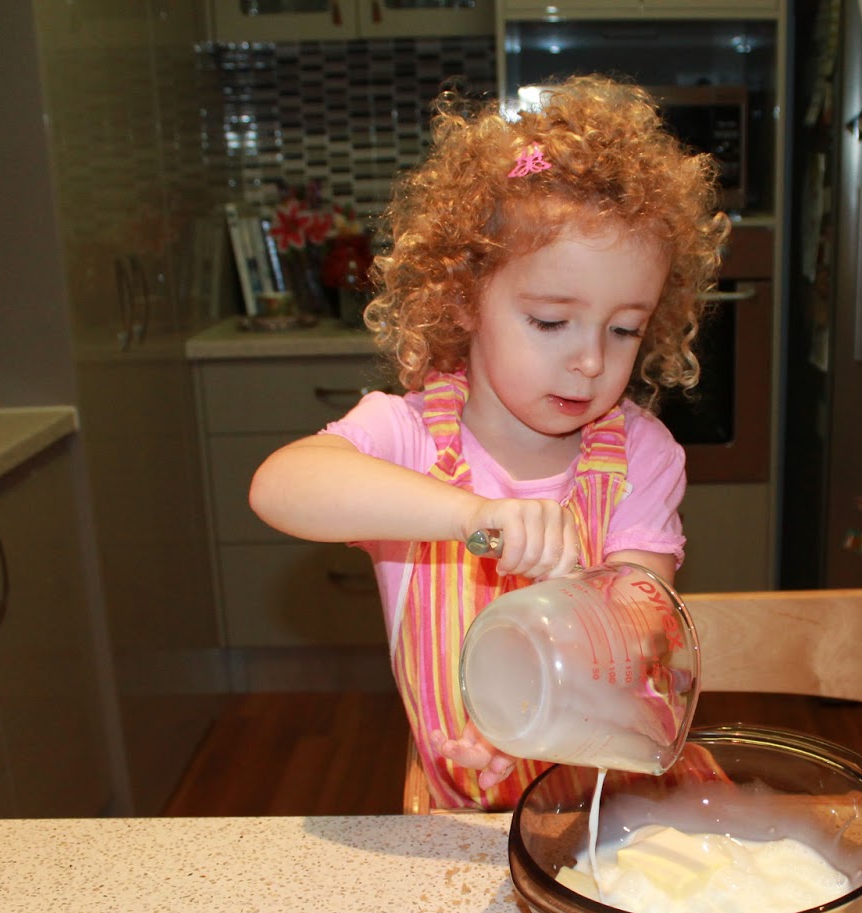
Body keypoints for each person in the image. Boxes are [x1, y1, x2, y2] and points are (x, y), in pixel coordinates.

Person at [248, 75, 730, 811]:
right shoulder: (409, 437)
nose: (592, 361)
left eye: (624, 328)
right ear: (464, 301)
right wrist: (469, 516)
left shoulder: (641, 458)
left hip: (607, 803)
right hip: (461, 810)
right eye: (549, 321)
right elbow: (281, 486)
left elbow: (643, 635)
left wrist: (527, 723)